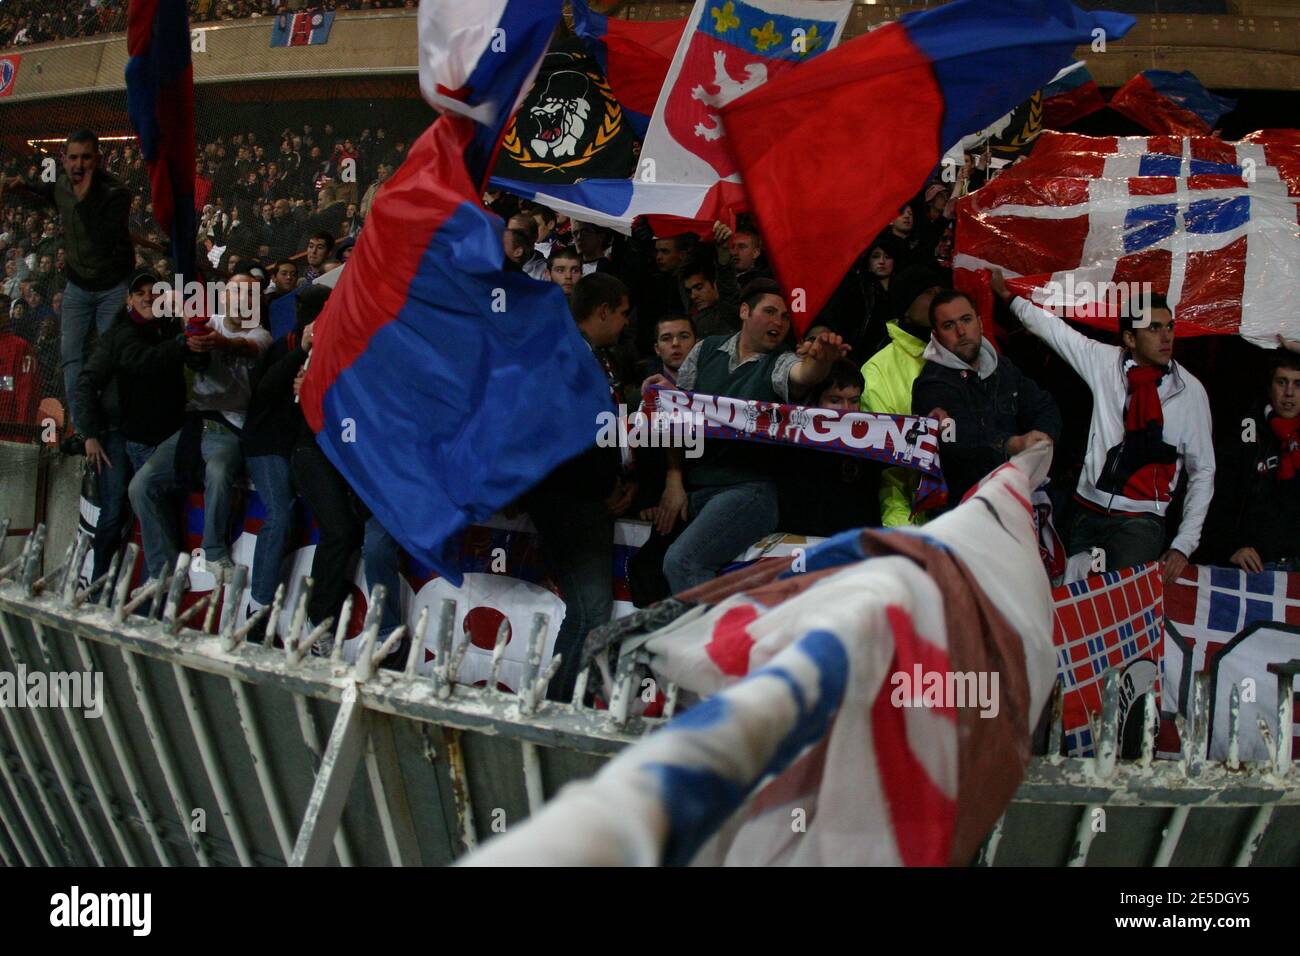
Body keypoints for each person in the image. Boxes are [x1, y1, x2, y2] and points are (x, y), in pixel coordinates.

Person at [992, 272, 1214, 584]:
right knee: (1075, 607)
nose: (1166, 336)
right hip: (1085, 513)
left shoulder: (1189, 392)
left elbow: (1203, 472)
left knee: (1122, 614)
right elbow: (1054, 331)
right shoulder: (1104, 362)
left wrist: (1183, 545)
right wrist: (1010, 298)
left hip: (1140, 524)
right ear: (1129, 339)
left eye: (1169, 327)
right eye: (1153, 328)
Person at [654, 278, 849, 592]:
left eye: (786, 317)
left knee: (683, 561)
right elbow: (679, 416)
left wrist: (822, 360)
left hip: (749, 491)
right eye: (770, 312)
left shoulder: (780, 362)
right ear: (744, 311)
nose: (779, 322)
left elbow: (804, 375)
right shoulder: (705, 350)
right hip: (696, 487)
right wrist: (673, 479)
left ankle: (709, 641)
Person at [524, 272, 634, 701]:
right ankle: (554, 706)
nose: (626, 323)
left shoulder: (590, 356)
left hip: (584, 497)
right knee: (589, 611)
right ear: (603, 311)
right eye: (623, 314)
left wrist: (619, 481)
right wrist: (600, 488)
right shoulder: (563, 357)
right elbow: (558, 442)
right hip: (568, 500)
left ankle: (561, 702)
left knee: (589, 611)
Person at [129, 272, 272, 583]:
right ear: (225, 297)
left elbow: (245, 347)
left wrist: (216, 342)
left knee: (219, 473)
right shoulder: (210, 320)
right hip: (192, 425)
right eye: (235, 292)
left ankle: (214, 553)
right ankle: (162, 571)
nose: (241, 299)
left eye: (249, 294)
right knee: (140, 486)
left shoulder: (262, 334)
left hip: (229, 428)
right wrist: (185, 318)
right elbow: (181, 316)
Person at [3, 131, 134, 433]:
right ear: (63, 159)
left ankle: (115, 425)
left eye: (86, 157)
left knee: (111, 356)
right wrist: (23, 183)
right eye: (73, 157)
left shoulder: (116, 193)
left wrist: (85, 198)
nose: (79, 164)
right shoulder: (62, 184)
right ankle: (83, 428)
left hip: (112, 287)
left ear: (97, 159)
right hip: (77, 286)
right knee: (70, 356)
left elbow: (101, 238)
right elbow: (48, 190)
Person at [76, 270, 190, 582]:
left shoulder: (165, 329)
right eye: (140, 292)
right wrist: (89, 434)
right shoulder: (119, 335)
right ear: (129, 299)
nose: (147, 297)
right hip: (113, 434)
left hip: (152, 433)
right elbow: (86, 382)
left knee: (158, 505)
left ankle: (161, 583)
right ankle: (98, 586)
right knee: (114, 512)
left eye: (153, 292)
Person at [912, 289, 1061, 508]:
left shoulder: (1003, 367)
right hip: (964, 509)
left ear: (980, 323)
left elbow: (1043, 405)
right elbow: (954, 438)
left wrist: (1043, 441)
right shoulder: (931, 385)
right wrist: (1010, 445)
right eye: (949, 325)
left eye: (966, 320)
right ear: (936, 335)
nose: (961, 331)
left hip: (1015, 497)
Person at [859, 264, 947, 527]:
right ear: (906, 307)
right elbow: (890, 475)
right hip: (918, 523)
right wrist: (905, 536)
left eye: (943, 292)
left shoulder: (965, 355)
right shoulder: (878, 370)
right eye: (929, 293)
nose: (939, 300)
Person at [1205, 349, 1300, 572]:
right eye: (1282, 382)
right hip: (1256, 569)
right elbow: (1217, 500)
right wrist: (1232, 547)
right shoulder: (1245, 434)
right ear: (1269, 387)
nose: (1289, 393)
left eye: (1298, 384)